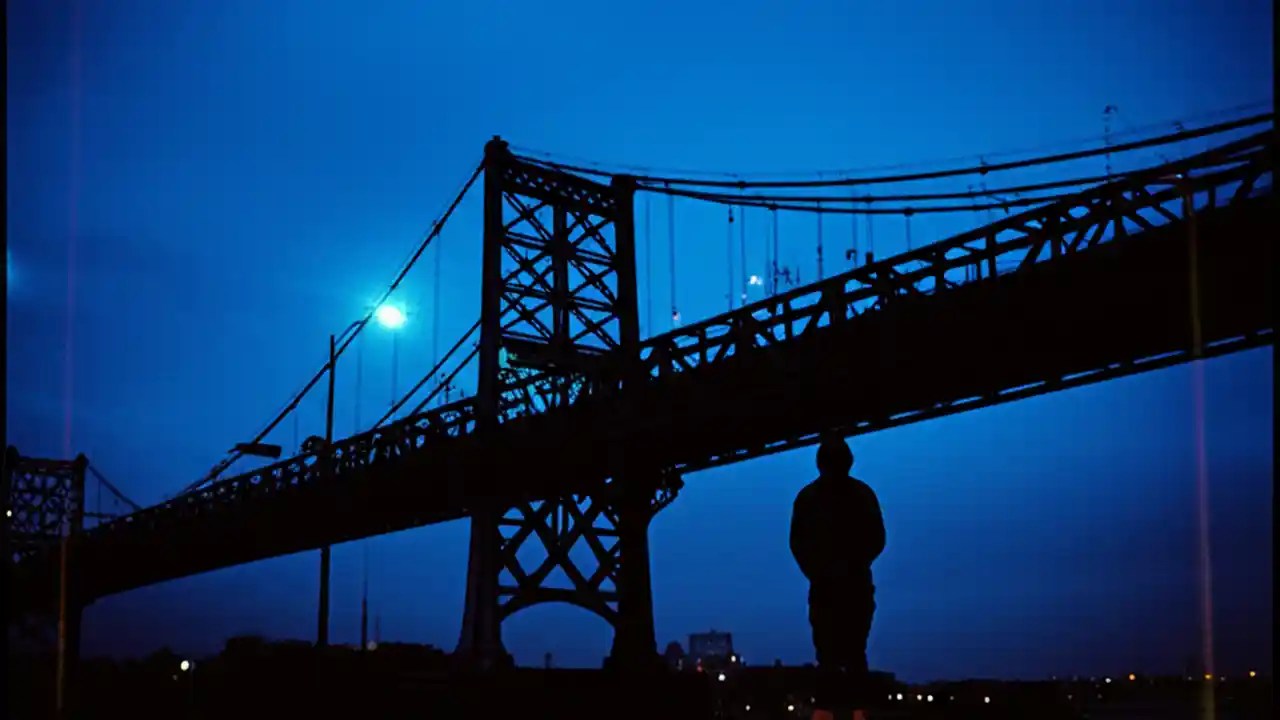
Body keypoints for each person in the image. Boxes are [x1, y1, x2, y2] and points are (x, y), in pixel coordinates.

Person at [790, 433, 885, 718]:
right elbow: (878, 539)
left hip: (827, 586)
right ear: (849, 462)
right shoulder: (863, 494)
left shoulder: (807, 498)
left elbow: (797, 543)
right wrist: (855, 564)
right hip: (854, 584)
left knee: (828, 652)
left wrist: (817, 571)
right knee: (855, 650)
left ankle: (826, 710)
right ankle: (857, 711)